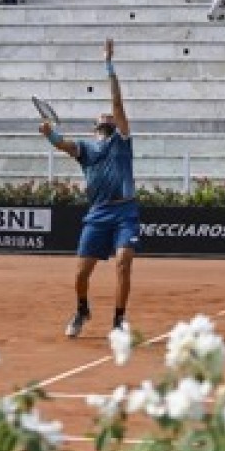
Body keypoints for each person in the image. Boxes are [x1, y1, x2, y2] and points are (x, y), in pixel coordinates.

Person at [39, 38, 136, 338]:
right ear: (94, 128)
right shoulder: (85, 148)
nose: (106, 115)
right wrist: (49, 135)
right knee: (81, 274)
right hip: (98, 213)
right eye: (101, 117)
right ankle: (82, 310)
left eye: (109, 116)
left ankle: (119, 320)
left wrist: (108, 64)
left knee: (124, 262)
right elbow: (61, 145)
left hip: (125, 212)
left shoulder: (122, 140)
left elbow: (117, 103)